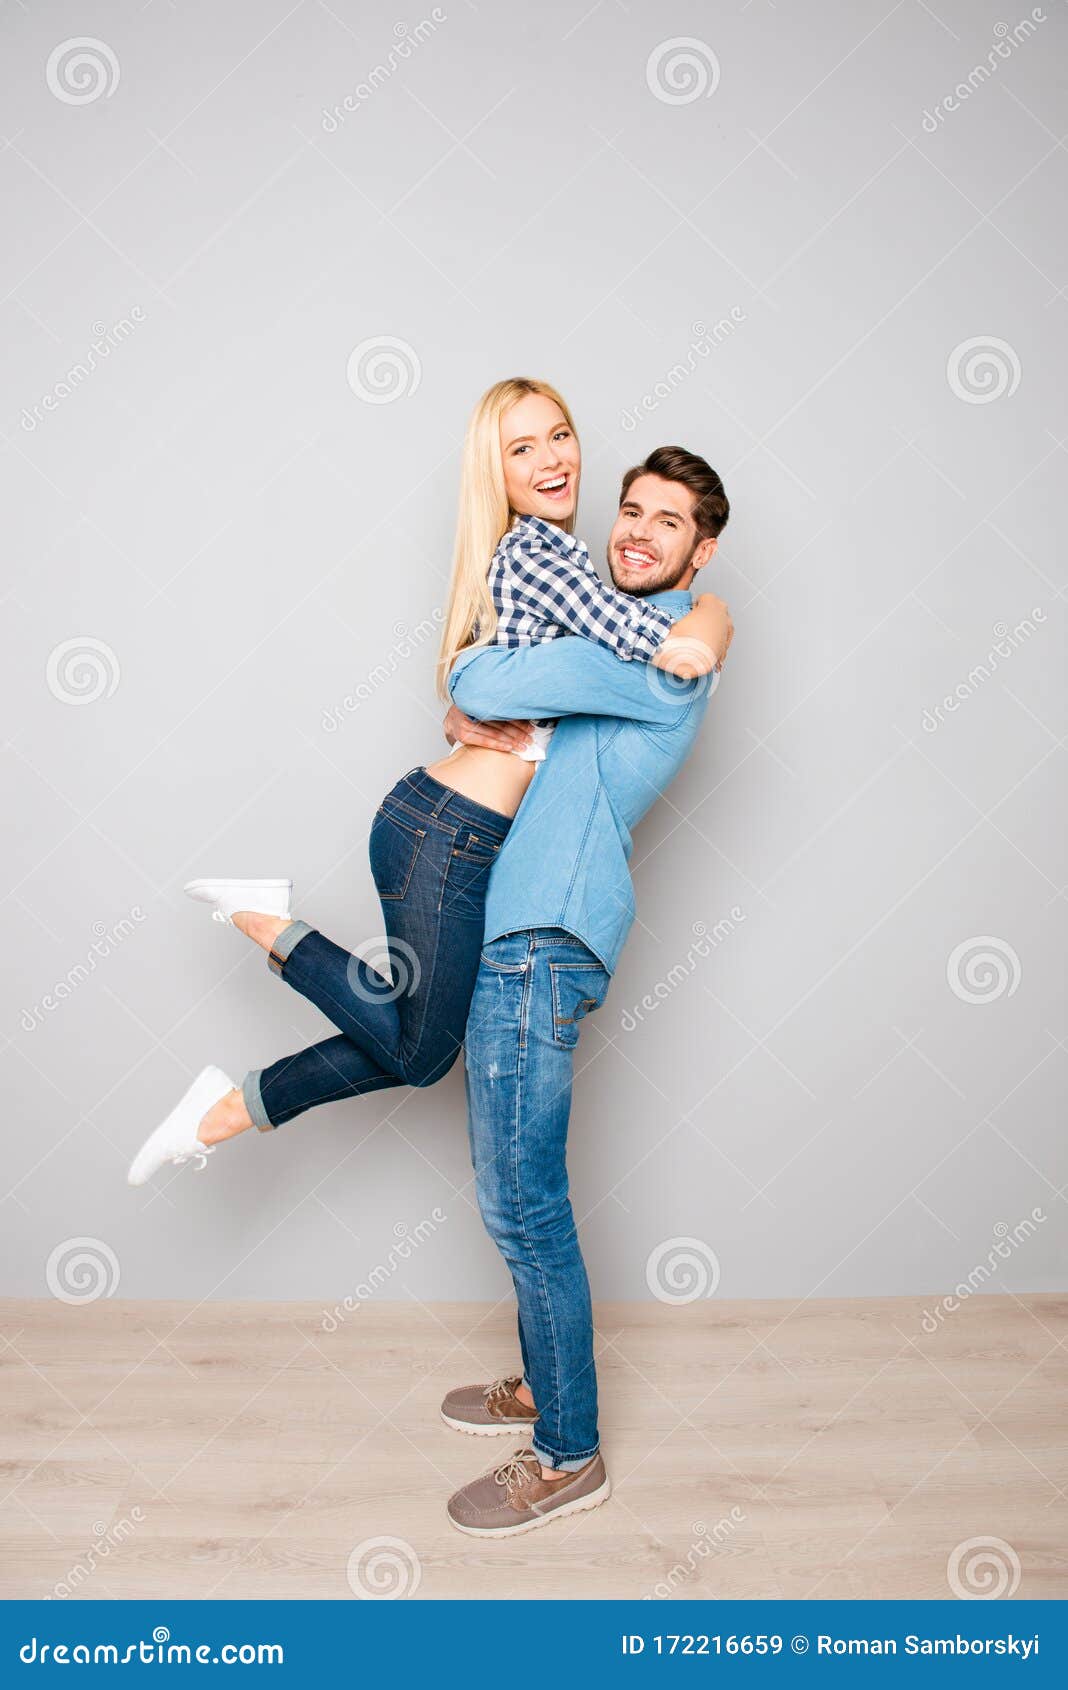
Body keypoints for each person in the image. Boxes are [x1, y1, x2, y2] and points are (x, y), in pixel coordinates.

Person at [126, 385, 730, 1187]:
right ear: (495, 472)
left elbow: (528, 672)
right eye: (521, 448)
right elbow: (615, 648)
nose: (551, 459)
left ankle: (234, 1101)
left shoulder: (567, 562)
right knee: (421, 1054)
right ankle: (262, 931)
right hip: (444, 830)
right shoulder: (540, 554)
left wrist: (476, 694)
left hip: (455, 832)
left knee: (420, 1050)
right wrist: (710, 620)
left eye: (559, 435)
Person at [436, 446, 731, 1538]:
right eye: (631, 510)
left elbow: (479, 679)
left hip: (543, 940)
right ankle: (541, 1380)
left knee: (524, 1202)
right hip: (521, 932)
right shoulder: (620, 634)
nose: (638, 531)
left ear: (702, 552)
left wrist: (475, 690)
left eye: (669, 521)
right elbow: (489, 703)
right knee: (512, 1190)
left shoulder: (658, 658)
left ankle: (568, 1452)